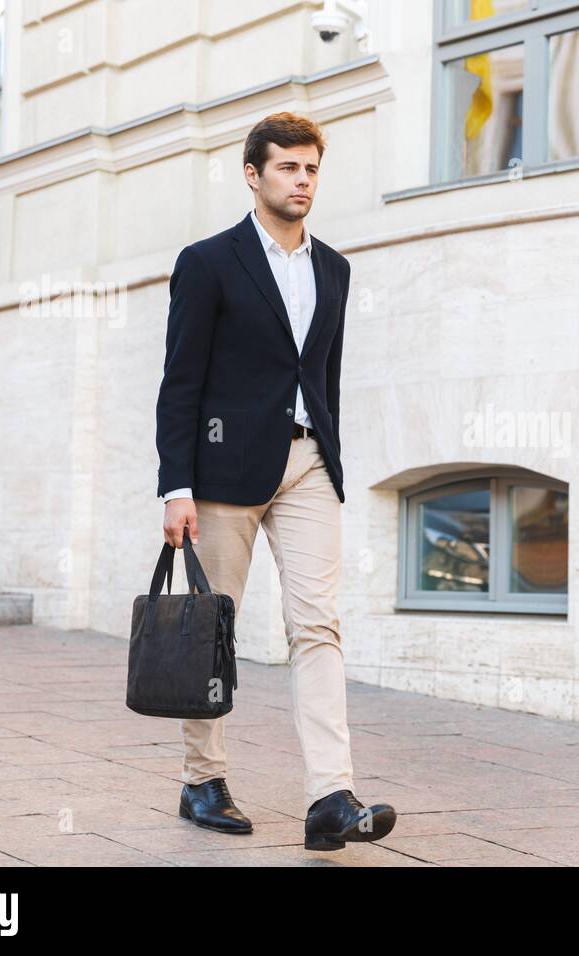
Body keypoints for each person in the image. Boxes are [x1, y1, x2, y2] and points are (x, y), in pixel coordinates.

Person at [154, 111, 394, 851]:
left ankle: (330, 795)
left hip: (308, 465)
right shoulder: (209, 261)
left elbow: (324, 376)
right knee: (212, 628)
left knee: (318, 623)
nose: (302, 180)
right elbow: (180, 381)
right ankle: (203, 779)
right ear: (254, 175)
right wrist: (176, 485)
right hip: (224, 470)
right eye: (288, 167)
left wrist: (333, 450)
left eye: (311, 168)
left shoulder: (334, 269)